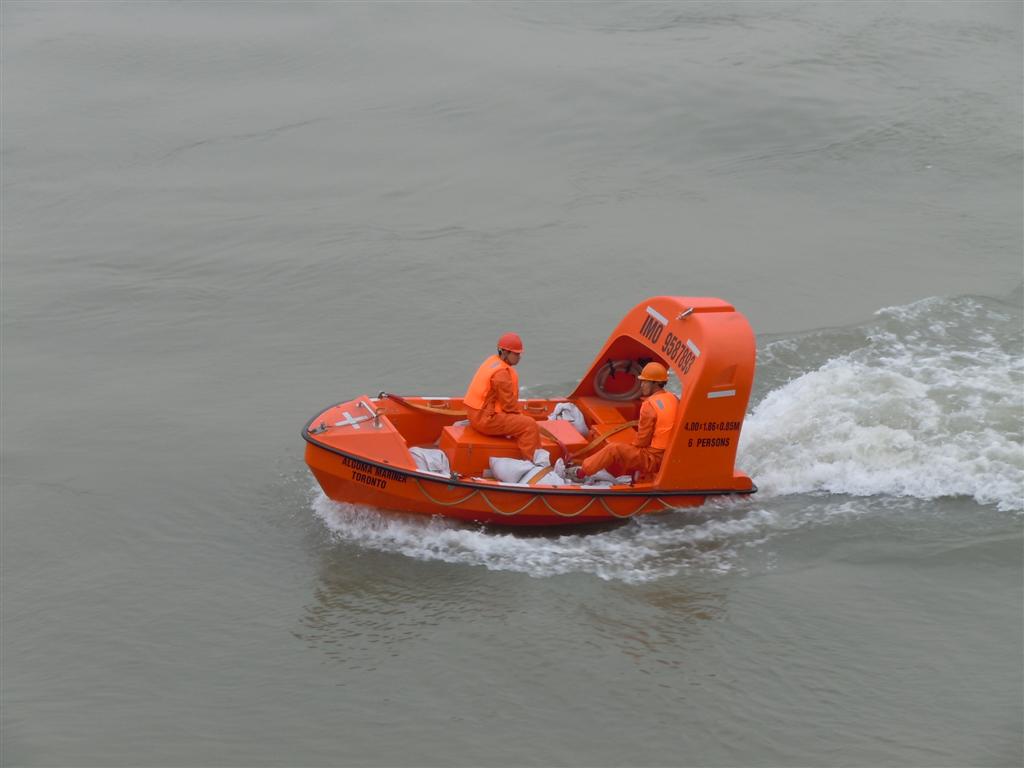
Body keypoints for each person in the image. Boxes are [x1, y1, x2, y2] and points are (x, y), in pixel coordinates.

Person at [567, 362, 677, 482]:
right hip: (670, 456)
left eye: (645, 382)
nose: (641, 386)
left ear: (655, 383)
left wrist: (630, 449)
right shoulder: (673, 398)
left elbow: (642, 440)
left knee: (614, 449)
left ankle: (581, 473)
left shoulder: (649, 405)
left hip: (654, 459)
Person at [463, 332, 542, 463]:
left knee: (522, 420)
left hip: (475, 415)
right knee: (529, 425)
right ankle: (534, 465)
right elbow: (509, 405)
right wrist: (522, 418)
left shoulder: (493, 362)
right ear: (505, 352)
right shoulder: (502, 375)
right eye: (516, 354)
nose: (519, 357)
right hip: (486, 420)